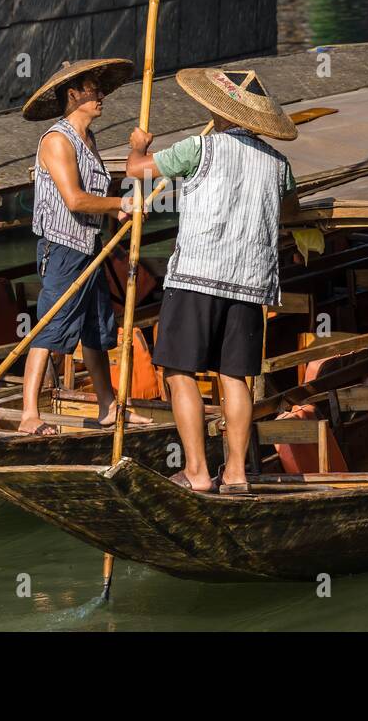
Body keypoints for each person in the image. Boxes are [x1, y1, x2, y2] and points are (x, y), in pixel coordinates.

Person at [127, 67, 299, 491]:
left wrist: (137, 147)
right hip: (249, 283)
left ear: (217, 113)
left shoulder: (199, 148)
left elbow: (139, 171)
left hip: (197, 276)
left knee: (179, 370)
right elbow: (291, 213)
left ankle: (198, 472)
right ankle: (237, 473)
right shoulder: (279, 164)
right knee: (233, 376)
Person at [19, 58, 156, 435]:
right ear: (72, 94)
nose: (101, 97)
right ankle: (29, 412)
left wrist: (116, 210)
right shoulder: (58, 140)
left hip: (89, 244)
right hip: (62, 246)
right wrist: (120, 204)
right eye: (93, 90)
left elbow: (98, 195)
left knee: (98, 327)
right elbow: (75, 200)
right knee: (50, 326)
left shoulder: (88, 140)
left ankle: (108, 406)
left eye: (100, 89)